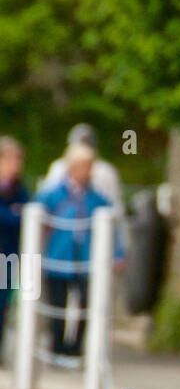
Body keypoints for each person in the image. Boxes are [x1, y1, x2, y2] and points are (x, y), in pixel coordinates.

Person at [37, 141, 122, 361]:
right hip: (58, 258)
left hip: (86, 261)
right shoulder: (53, 195)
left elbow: (114, 228)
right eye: (84, 165)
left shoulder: (97, 199)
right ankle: (57, 347)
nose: (88, 171)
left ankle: (76, 349)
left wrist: (118, 254)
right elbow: (37, 220)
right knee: (58, 305)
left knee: (86, 304)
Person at [43, 123, 126, 220]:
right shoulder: (59, 167)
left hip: (97, 225)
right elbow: (44, 203)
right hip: (62, 224)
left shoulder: (106, 171)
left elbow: (114, 207)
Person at [0, 136, 29, 354]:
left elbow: (29, 217)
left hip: (8, 257)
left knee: (3, 304)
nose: (16, 166)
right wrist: (12, 215)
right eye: (12, 160)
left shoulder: (21, 190)